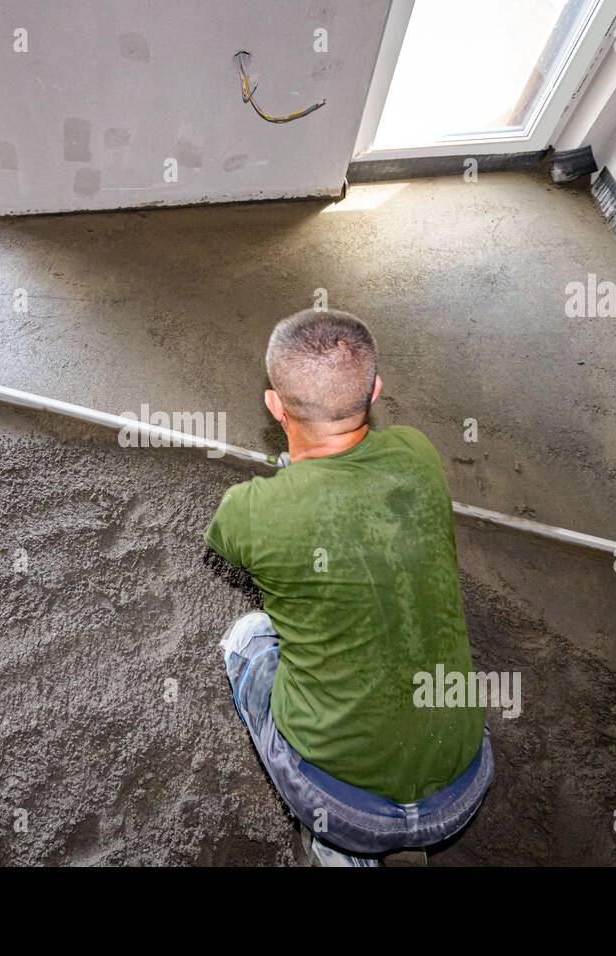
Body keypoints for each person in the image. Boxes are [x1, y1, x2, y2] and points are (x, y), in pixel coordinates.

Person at [206, 308, 493, 866]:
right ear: (376, 390)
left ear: (274, 405)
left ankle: (343, 853)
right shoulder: (418, 453)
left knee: (248, 637)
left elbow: (235, 542)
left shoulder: (250, 511)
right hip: (464, 783)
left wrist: (295, 487)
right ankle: (406, 839)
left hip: (343, 805)